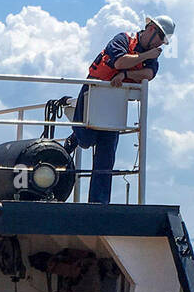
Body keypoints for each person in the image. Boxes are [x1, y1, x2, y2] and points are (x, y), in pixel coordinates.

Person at [66, 14, 174, 203]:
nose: (159, 46)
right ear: (151, 30)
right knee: (86, 139)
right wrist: (144, 57)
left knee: (106, 155)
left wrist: (125, 75)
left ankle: (98, 203)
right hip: (94, 90)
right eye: (160, 39)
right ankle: (76, 136)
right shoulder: (123, 39)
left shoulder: (152, 57)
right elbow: (119, 61)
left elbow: (148, 73)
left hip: (115, 102)